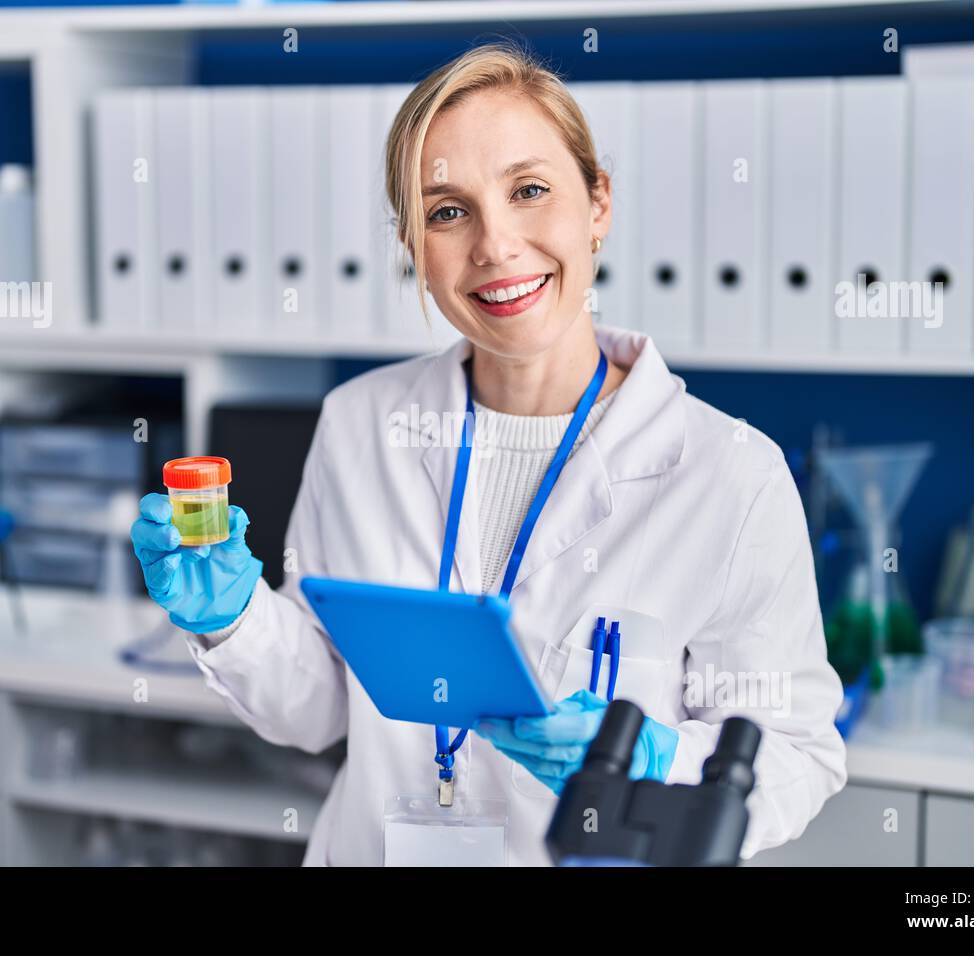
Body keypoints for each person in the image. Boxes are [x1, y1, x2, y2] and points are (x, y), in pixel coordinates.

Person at [131, 41, 846, 866]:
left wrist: (652, 765)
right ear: (412, 245)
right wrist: (231, 617)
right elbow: (321, 707)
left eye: (530, 191)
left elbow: (797, 750)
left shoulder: (731, 475)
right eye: (446, 210)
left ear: (598, 204)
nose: (496, 245)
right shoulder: (359, 423)